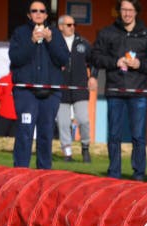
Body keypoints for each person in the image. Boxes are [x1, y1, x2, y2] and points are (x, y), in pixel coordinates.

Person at [92, 0, 147, 180]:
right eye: (124, 9)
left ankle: (139, 174)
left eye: (130, 10)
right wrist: (115, 62)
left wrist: (140, 64)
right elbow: (96, 57)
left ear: (136, 12)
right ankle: (113, 173)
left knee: (138, 136)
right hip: (114, 90)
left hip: (138, 92)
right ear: (119, 11)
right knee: (114, 135)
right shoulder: (108, 32)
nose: (127, 13)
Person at [8, 0, 69, 169]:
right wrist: (32, 41)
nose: (38, 14)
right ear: (29, 14)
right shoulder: (20, 33)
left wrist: (50, 40)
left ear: (46, 15)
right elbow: (16, 58)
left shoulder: (55, 34)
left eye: (42, 11)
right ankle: (20, 170)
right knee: (25, 132)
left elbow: (63, 59)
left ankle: (44, 172)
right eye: (34, 11)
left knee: (46, 133)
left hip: (50, 93)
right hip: (26, 92)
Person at [56, 15, 97, 163]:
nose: (72, 27)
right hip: (61, 89)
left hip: (80, 88)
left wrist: (93, 76)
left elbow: (94, 62)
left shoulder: (84, 43)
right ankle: (67, 153)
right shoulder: (54, 42)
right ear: (60, 27)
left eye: (74, 24)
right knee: (63, 123)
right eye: (68, 25)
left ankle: (85, 148)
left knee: (83, 120)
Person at [0, 72, 17, 137]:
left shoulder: (3, 79)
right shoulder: (23, 81)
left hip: (4, 112)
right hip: (17, 114)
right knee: (13, 139)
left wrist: (5, 97)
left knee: (0, 137)